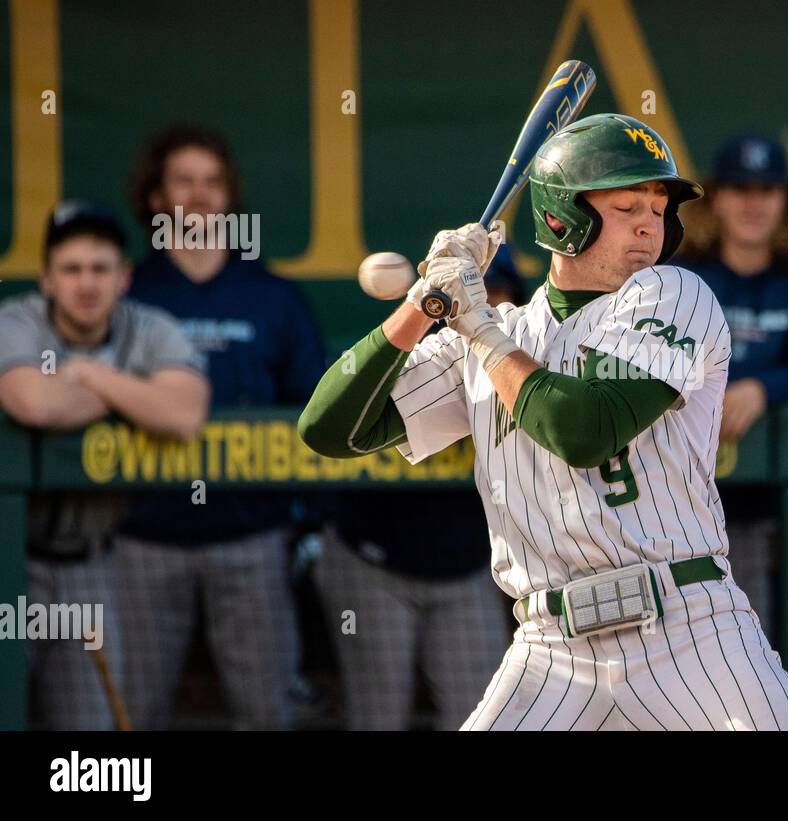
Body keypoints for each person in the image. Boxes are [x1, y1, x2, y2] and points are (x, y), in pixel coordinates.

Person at [299, 113, 788, 730]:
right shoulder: (499, 334)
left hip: (688, 628)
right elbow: (331, 429)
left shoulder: (675, 295)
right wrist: (422, 304)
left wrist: (474, 325)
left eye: (658, 209)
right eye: (628, 207)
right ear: (560, 218)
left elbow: (583, 431)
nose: (649, 228)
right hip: (550, 649)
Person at [113, 125, 327, 729]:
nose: (200, 195)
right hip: (142, 534)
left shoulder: (274, 295)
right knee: (131, 714)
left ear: (230, 196)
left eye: (212, 182)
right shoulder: (124, 292)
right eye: (184, 181)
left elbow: (314, 409)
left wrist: (308, 522)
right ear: (156, 199)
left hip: (252, 536)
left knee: (267, 710)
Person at [0, 202, 208, 729]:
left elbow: (183, 414)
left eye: (100, 269)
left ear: (123, 278)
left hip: (91, 562)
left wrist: (91, 375)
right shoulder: (15, 319)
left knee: (91, 734)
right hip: (9, 562)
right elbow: (35, 404)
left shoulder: (150, 327)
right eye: (71, 270)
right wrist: (134, 396)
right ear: (47, 279)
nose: (86, 284)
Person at [312, 250, 522, 730]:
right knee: (378, 716)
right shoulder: (408, 351)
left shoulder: (524, 362)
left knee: (480, 715)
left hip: (469, 566)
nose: (476, 304)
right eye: (463, 292)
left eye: (492, 295)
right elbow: (330, 424)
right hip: (372, 558)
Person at [674, 133, 788, 631]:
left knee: (761, 640)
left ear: (787, 201)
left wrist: (760, 389)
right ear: (717, 198)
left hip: (772, 508)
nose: (754, 203)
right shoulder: (682, 277)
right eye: (739, 189)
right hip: (679, 504)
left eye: (767, 191)